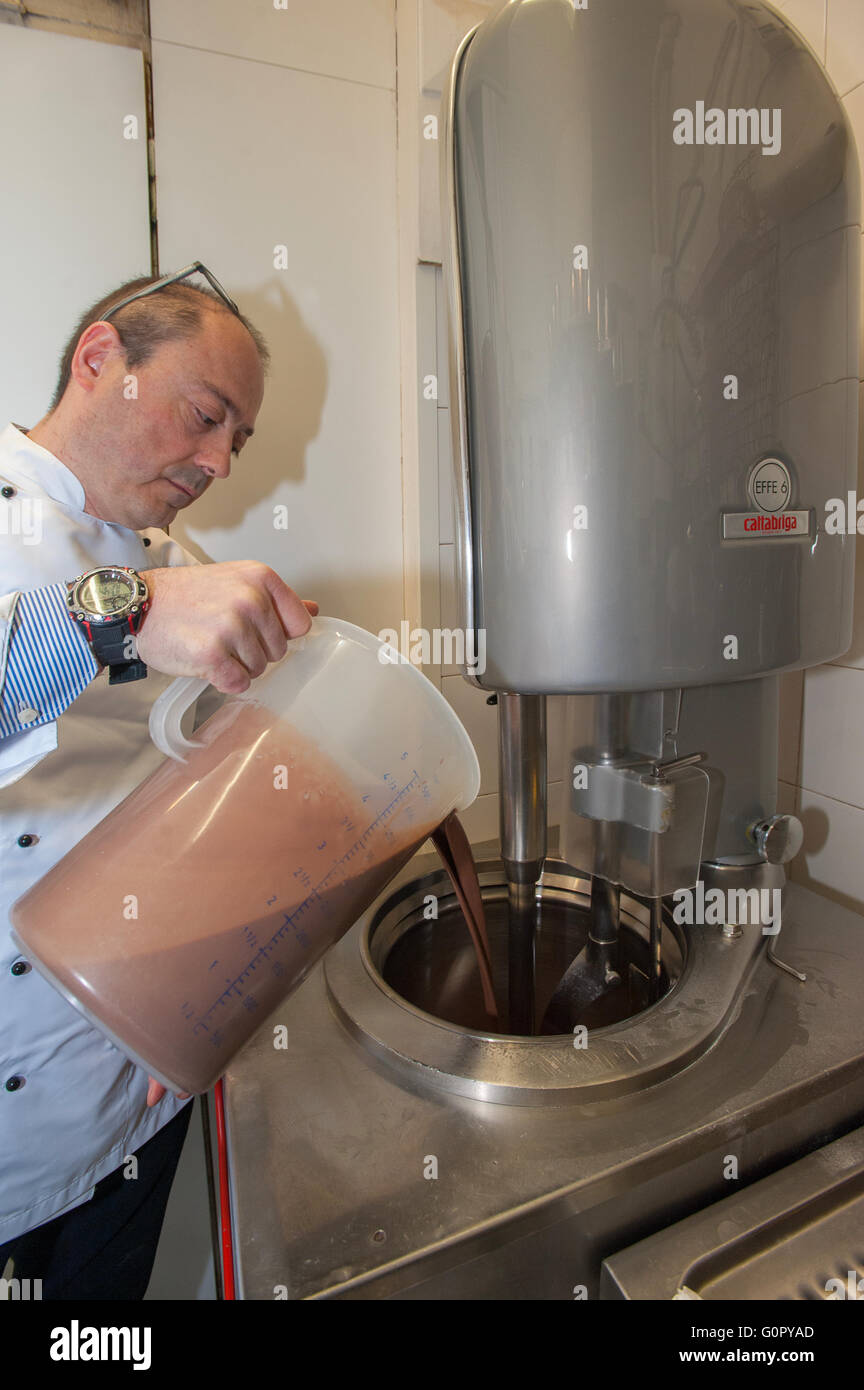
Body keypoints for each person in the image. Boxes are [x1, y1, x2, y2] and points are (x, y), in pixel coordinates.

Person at [0, 264, 317, 1298]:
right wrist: (121, 612)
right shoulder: (143, 587)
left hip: (138, 1109)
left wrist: (196, 1009)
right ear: (102, 361)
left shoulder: (173, 562)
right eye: (206, 415)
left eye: (239, 440)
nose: (220, 460)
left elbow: (186, 823)